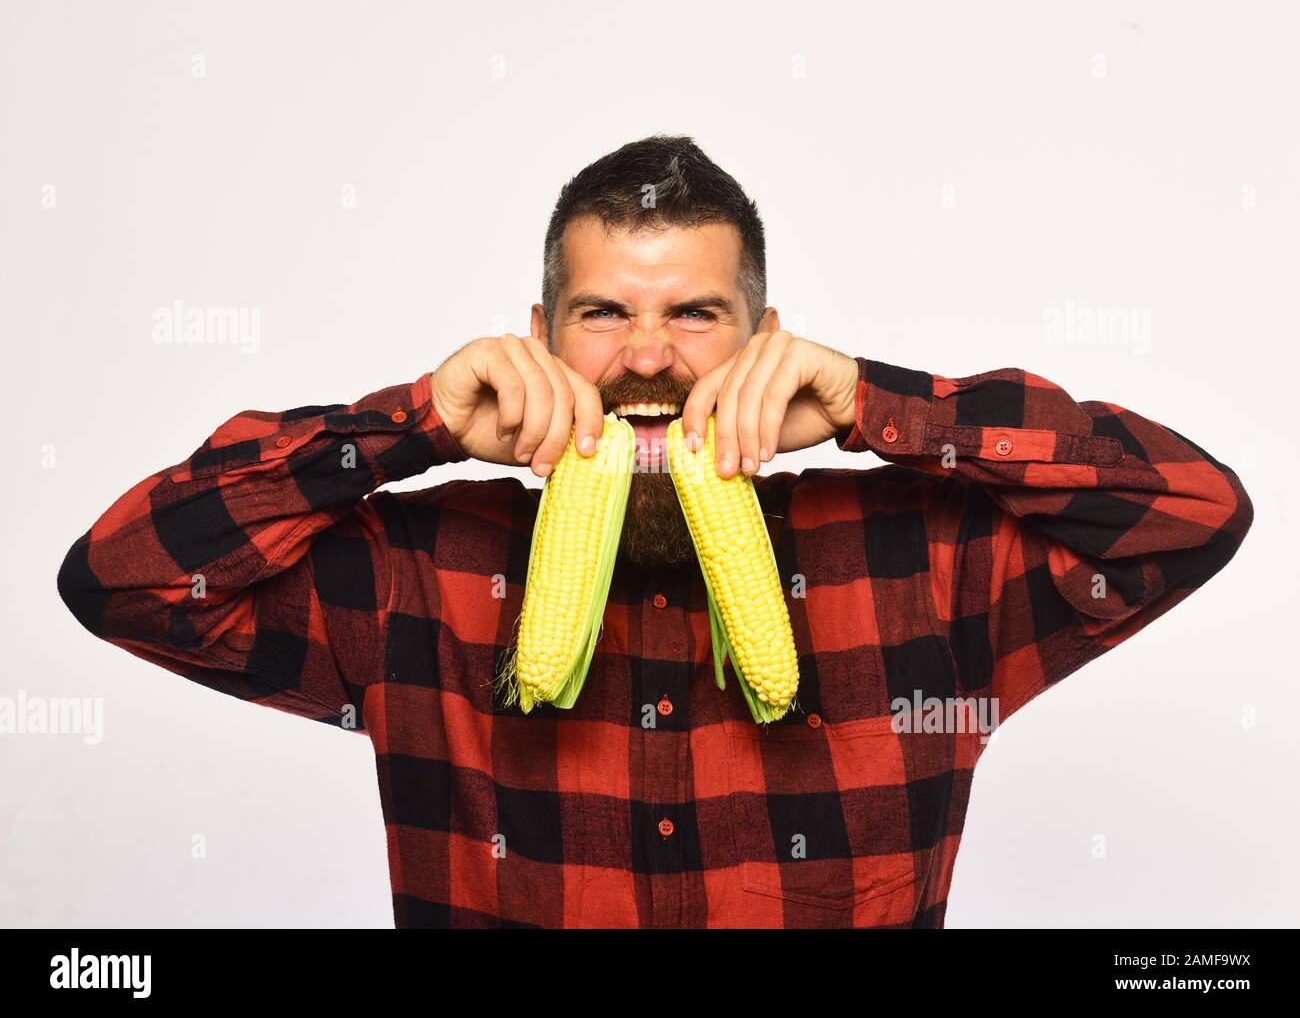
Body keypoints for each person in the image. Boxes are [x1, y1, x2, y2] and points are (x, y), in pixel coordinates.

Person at [56, 135, 1253, 928]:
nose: (644, 357)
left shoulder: (923, 562)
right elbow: (127, 580)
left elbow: (1191, 514)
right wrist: (409, 424)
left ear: (766, 336)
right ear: (537, 332)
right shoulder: (415, 574)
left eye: (694, 314)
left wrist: (879, 404)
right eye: (601, 314)